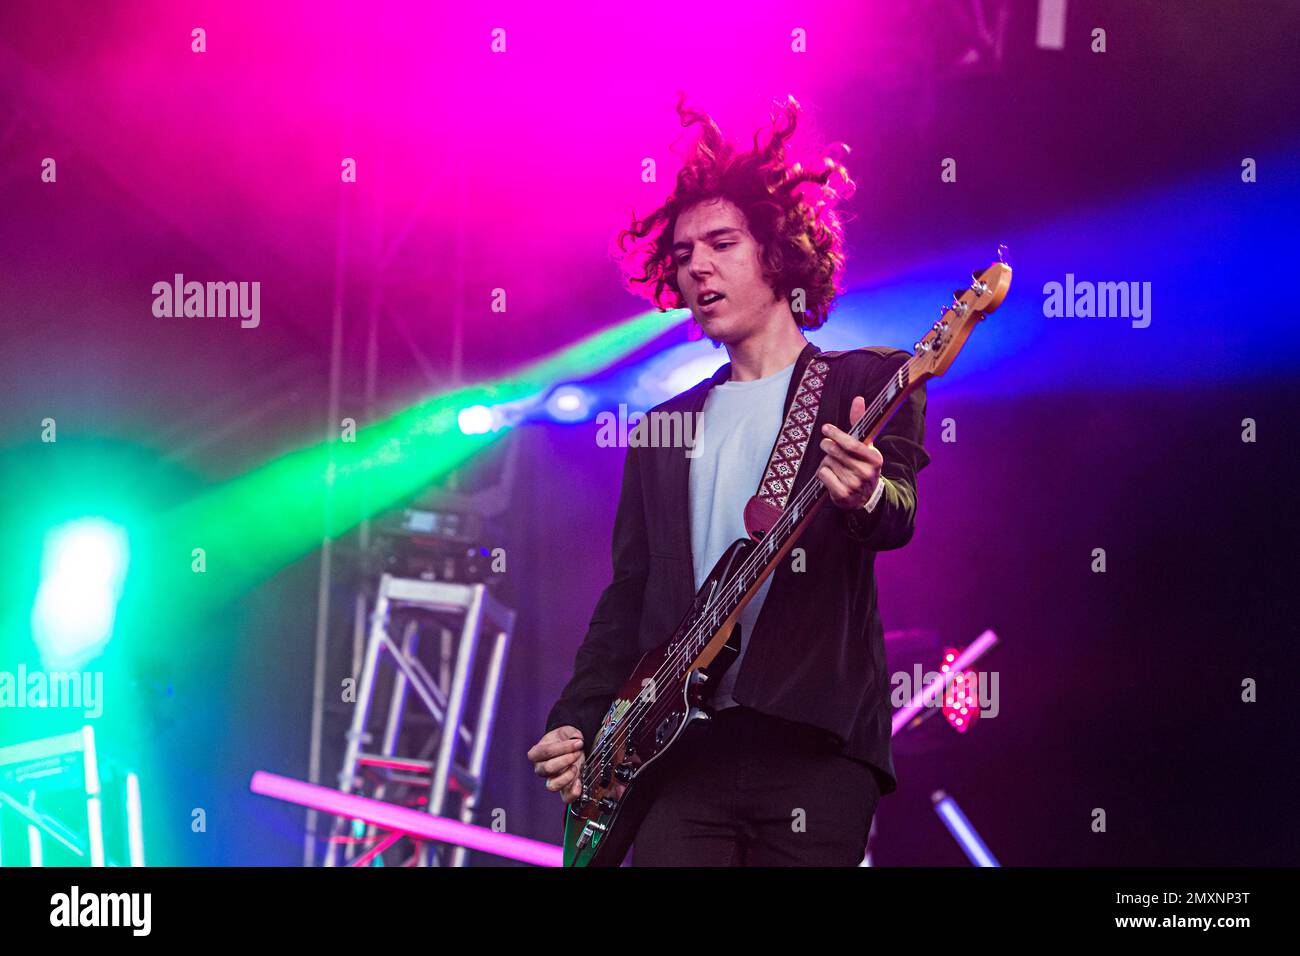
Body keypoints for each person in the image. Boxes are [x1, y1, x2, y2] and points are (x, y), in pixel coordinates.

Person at [526, 94, 930, 865]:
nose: (697, 265)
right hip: (680, 758)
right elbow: (628, 596)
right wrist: (578, 721)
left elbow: (898, 511)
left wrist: (867, 494)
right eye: (682, 254)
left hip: (814, 747)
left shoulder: (867, 380)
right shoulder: (660, 430)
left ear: (778, 252)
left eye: (721, 243)